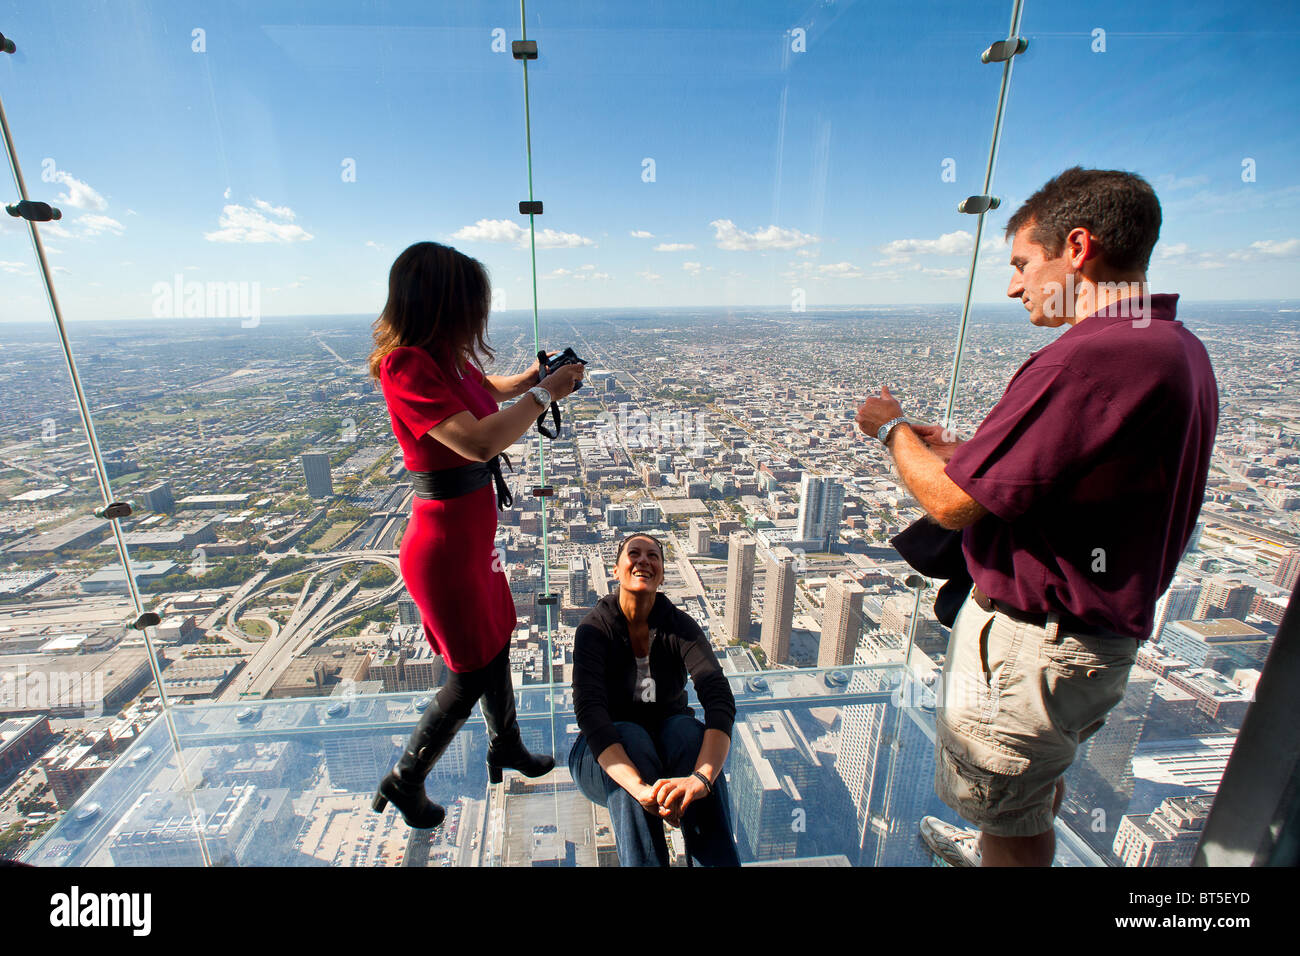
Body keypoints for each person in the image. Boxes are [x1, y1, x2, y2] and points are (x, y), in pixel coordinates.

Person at [854, 167, 1219, 866]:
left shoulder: (1095, 356)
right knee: (1027, 792)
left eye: (1023, 263)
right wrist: (972, 452)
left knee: (1012, 819)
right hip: (1089, 640)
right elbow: (1088, 479)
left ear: (1076, 248)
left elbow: (952, 503)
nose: (1015, 285)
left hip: (1034, 644)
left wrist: (891, 429)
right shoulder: (1175, 348)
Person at [368, 241, 585, 829]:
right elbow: (480, 442)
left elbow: (491, 393)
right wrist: (547, 395)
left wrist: (539, 378)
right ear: (442, 304)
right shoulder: (406, 365)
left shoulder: (445, 359)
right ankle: (405, 779)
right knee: (466, 674)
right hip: (443, 551)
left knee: (499, 637)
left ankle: (505, 744)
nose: (478, 317)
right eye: (471, 304)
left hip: (472, 542)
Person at [569, 532, 741, 866]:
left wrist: (701, 779)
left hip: (667, 750)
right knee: (631, 737)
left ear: (661, 574)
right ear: (616, 570)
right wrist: (639, 788)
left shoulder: (681, 627)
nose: (644, 560)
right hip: (600, 756)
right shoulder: (594, 630)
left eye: (654, 556)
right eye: (634, 553)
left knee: (686, 732)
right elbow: (591, 715)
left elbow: (718, 698)